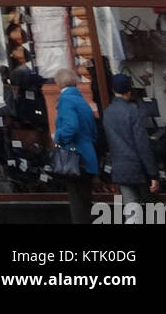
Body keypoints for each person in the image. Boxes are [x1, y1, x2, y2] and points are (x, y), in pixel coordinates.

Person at [102, 74, 160, 213]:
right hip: (138, 169)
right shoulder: (133, 111)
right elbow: (142, 145)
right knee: (154, 211)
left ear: (113, 90)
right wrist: (153, 174)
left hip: (120, 169)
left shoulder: (107, 113)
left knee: (132, 211)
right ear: (129, 91)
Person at [53, 67, 99, 223]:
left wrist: (57, 137)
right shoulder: (81, 100)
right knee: (86, 201)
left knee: (77, 202)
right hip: (88, 156)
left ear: (58, 83)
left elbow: (71, 126)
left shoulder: (66, 100)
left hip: (74, 158)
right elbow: (94, 132)